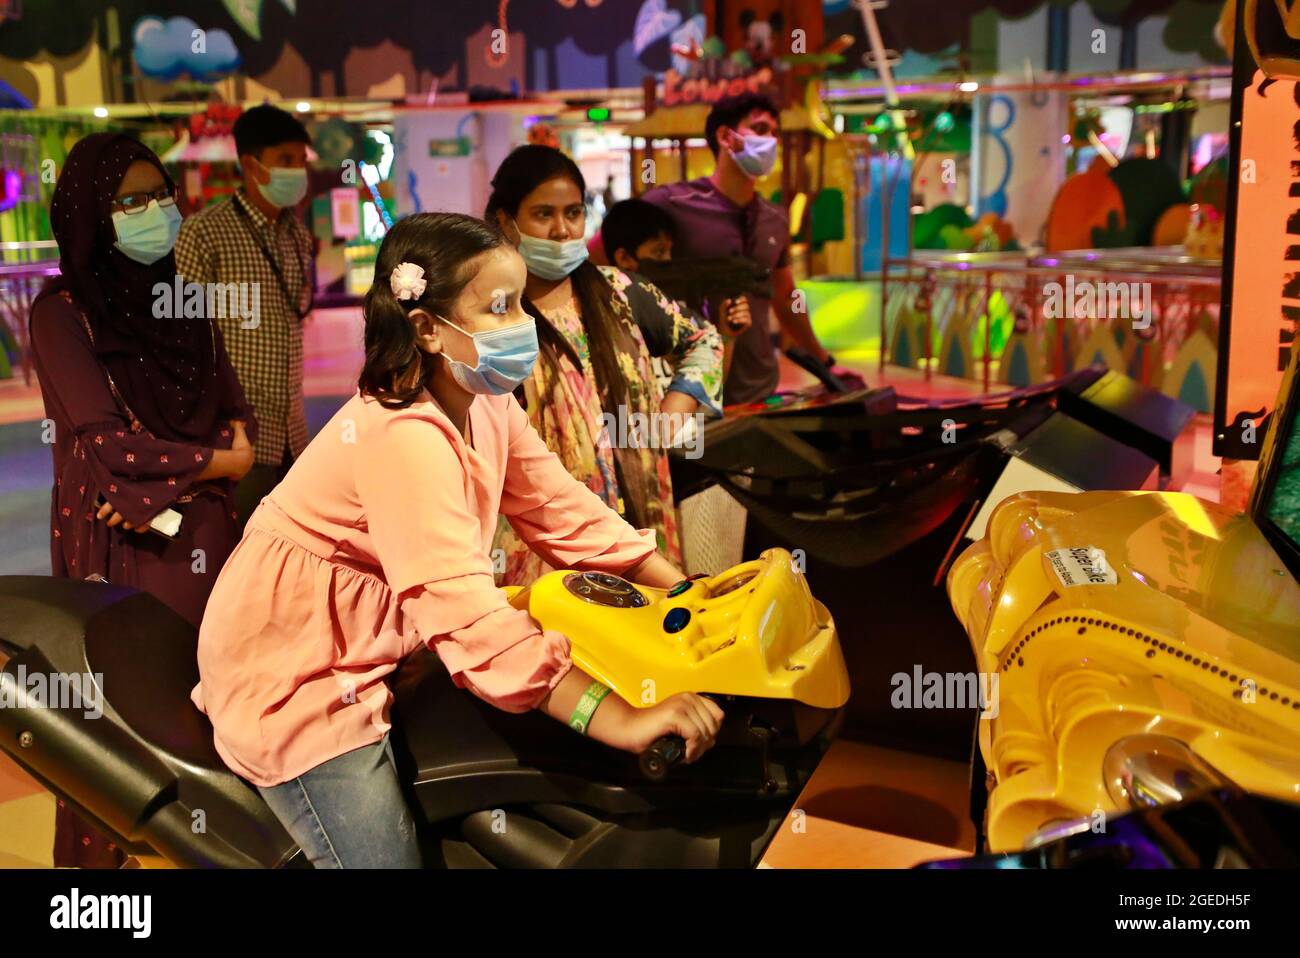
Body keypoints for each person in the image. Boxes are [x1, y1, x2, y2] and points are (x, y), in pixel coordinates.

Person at [192, 212, 723, 868]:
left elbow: (563, 511)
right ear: (426, 329)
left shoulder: (488, 403)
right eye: (498, 309)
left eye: (520, 304)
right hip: (299, 673)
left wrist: (689, 590)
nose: (521, 327)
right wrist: (620, 719)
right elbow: (466, 615)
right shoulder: (403, 437)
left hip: (388, 650)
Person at [29, 132, 257, 868]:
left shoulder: (182, 297)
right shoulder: (63, 312)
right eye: (130, 201)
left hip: (208, 539)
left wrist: (172, 471)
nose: (154, 211)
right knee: (119, 739)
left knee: (215, 718)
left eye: (161, 195)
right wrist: (216, 462)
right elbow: (105, 446)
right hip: (127, 550)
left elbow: (238, 413)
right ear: (92, 214)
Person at [484, 145, 723, 585]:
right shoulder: (490, 311)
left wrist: (674, 412)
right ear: (505, 220)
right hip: (544, 533)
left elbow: (703, 340)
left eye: (573, 213)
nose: (561, 230)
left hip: (639, 512)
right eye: (543, 214)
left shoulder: (619, 292)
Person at [592, 92, 835, 406]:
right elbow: (601, 253)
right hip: (687, 394)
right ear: (725, 136)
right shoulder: (672, 203)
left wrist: (824, 361)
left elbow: (785, 295)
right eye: (760, 130)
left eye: (775, 133)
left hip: (757, 392)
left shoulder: (775, 219)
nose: (771, 141)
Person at [175, 104, 314, 530]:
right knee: (237, 552)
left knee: (290, 552)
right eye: (285, 161)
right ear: (252, 165)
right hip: (238, 433)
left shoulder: (297, 234)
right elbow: (183, 336)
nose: (297, 171)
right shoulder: (204, 232)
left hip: (293, 431)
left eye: (300, 160)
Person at [601, 196, 753, 380]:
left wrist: (727, 336)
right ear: (624, 259)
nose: (668, 261)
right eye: (658, 252)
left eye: (669, 251)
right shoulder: (609, 314)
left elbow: (709, 383)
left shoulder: (676, 307)